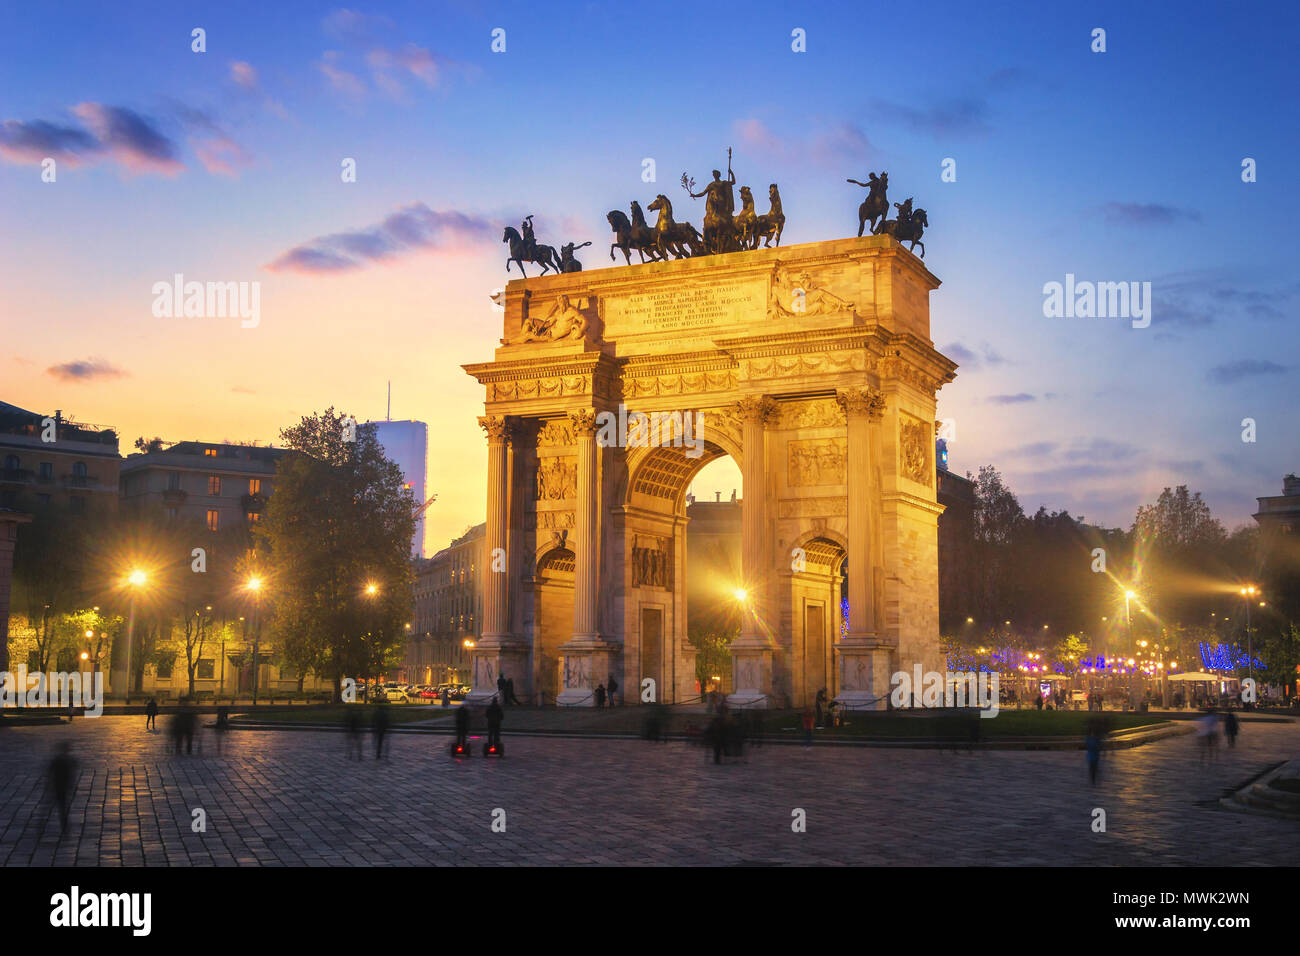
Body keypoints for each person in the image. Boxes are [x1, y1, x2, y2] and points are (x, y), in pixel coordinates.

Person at [48, 743, 77, 833]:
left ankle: (42, 824)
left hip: (57, 786)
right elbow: (72, 774)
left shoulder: (56, 760)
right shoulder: (68, 760)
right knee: (62, 806)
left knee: (55, 806)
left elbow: (50, 772)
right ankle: (64, 825)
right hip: (63, 786)